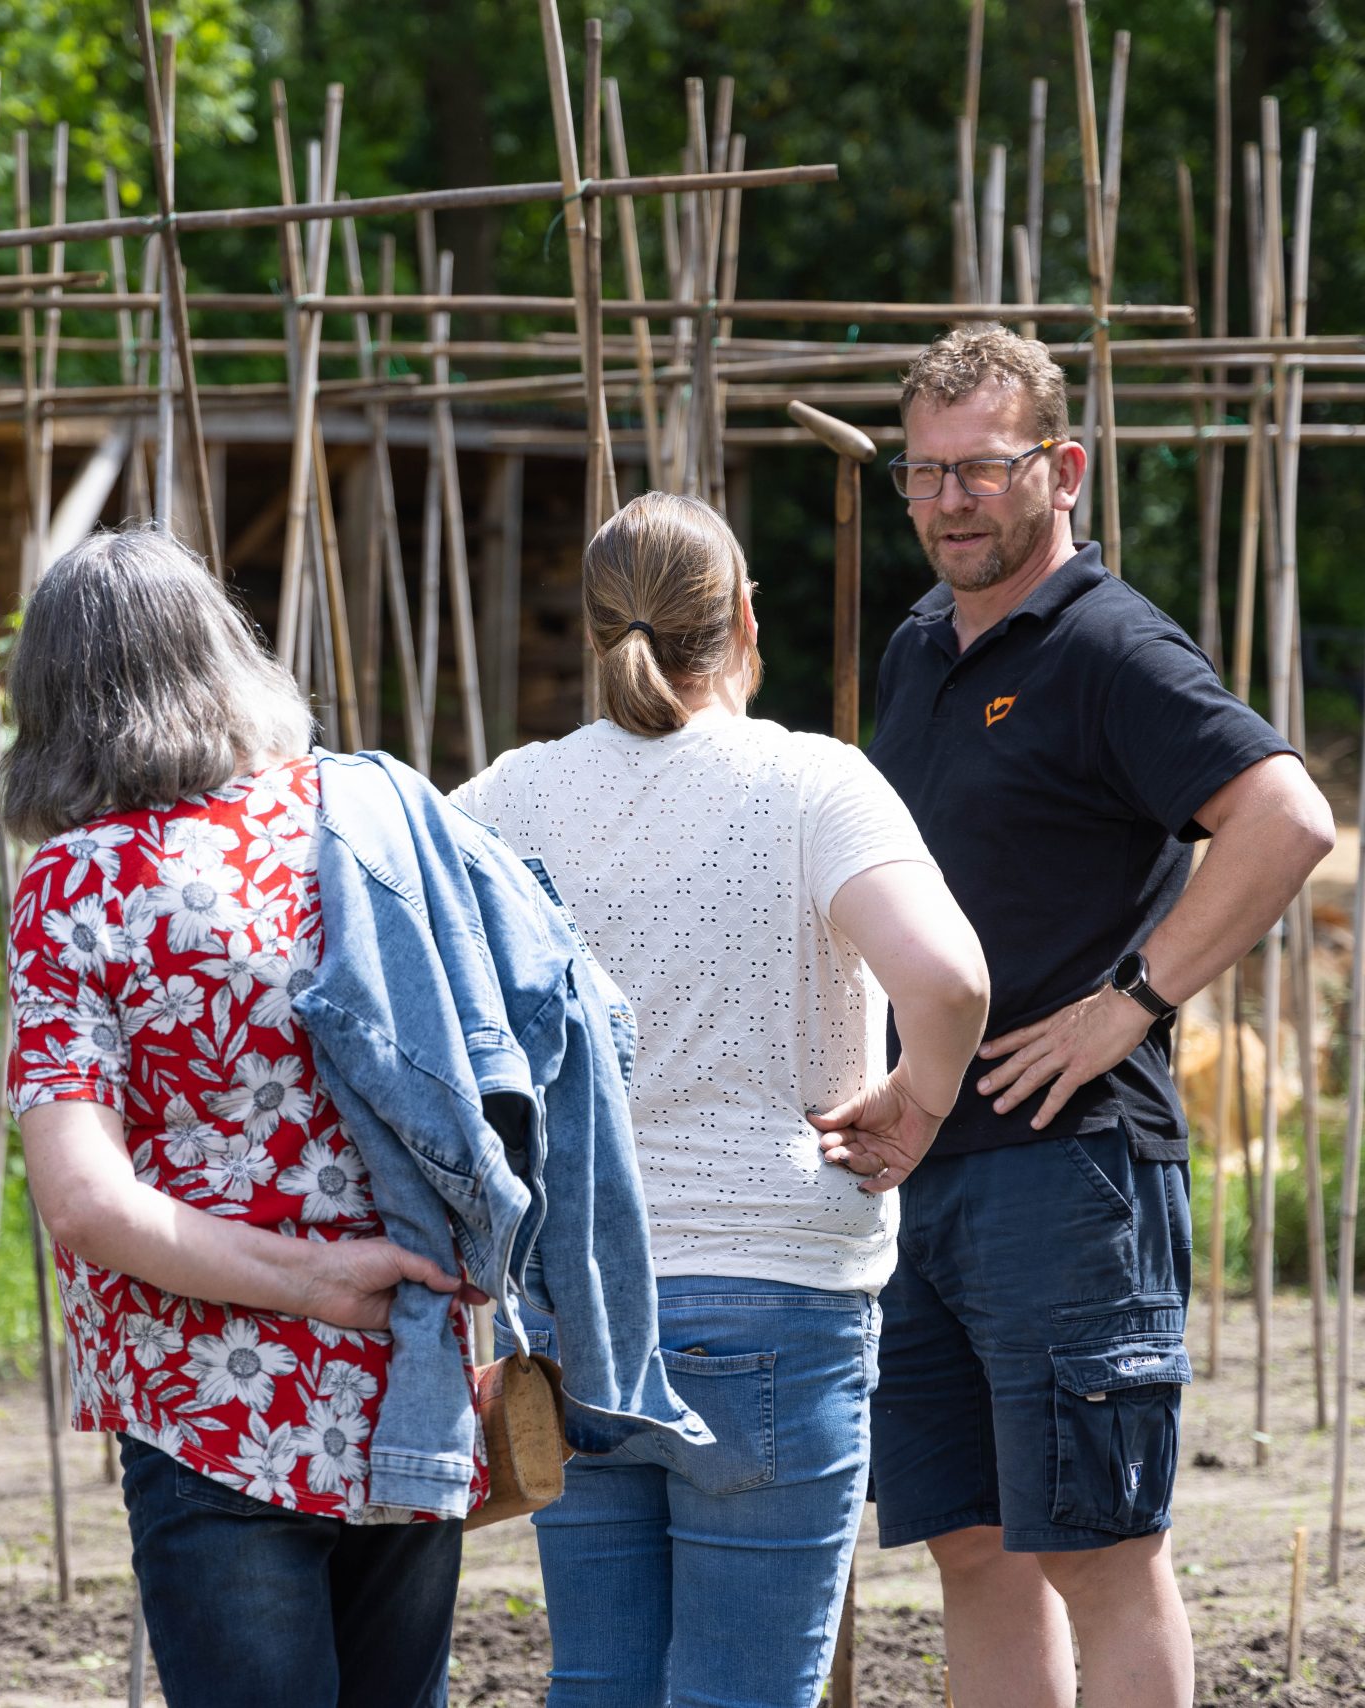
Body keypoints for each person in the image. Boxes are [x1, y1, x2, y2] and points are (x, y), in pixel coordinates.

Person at [449, 491, 991, 1707]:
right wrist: (919, 1098)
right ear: (746, 618)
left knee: (599, 1681)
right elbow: (951, 980)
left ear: (597, 635)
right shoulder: (812, 785)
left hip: (578, 1301)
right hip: (775, 1300)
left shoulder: (497, 805)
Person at [864, 323, 1337, 1708]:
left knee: (1103, 1552)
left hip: (1069, 1173)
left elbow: (1286, 818)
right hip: (932, 1167)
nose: (952, 501)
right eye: (926, 473)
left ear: (1063, 468)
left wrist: (1126, 1005)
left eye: (985, 471)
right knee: (973, 1550)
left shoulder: (1110, 647)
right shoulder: (918, 649)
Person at [2, 526, 484, 1708]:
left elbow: (83, 1199)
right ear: (227, 656)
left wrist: (308, 1282)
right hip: (408, 1368)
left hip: (208, 1402)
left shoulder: (73, 887)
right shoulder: (360, 824)